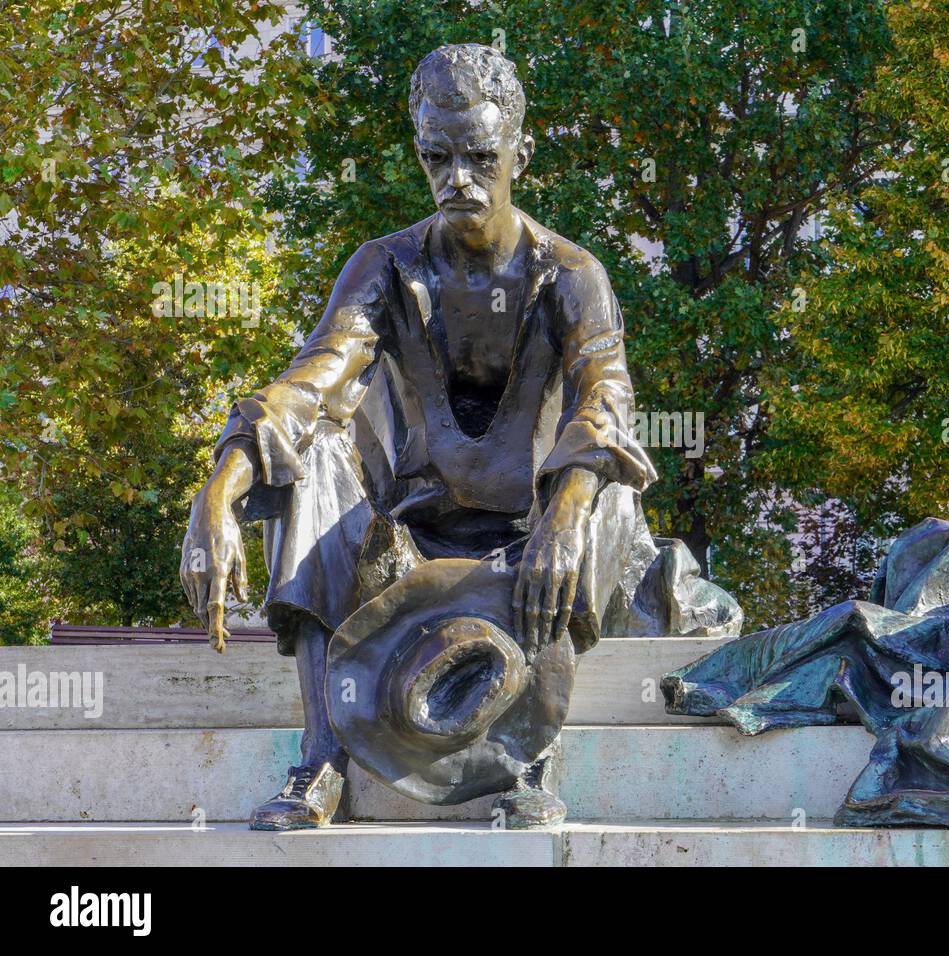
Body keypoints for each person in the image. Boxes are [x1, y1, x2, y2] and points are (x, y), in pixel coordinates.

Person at [180, 43, 739, 830]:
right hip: (411, 545)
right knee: (313, 460)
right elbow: (309, 385)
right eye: (437, 157)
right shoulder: (383, 266)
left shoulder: (572, 274)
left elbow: (606, 400)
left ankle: (527, 762)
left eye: (481, 156)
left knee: (598, 481)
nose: (459, 180)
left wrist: (567, 511)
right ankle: (318, 761)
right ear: (419, 149)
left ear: (521, 150)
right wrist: (218, 494)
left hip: (535, 538)